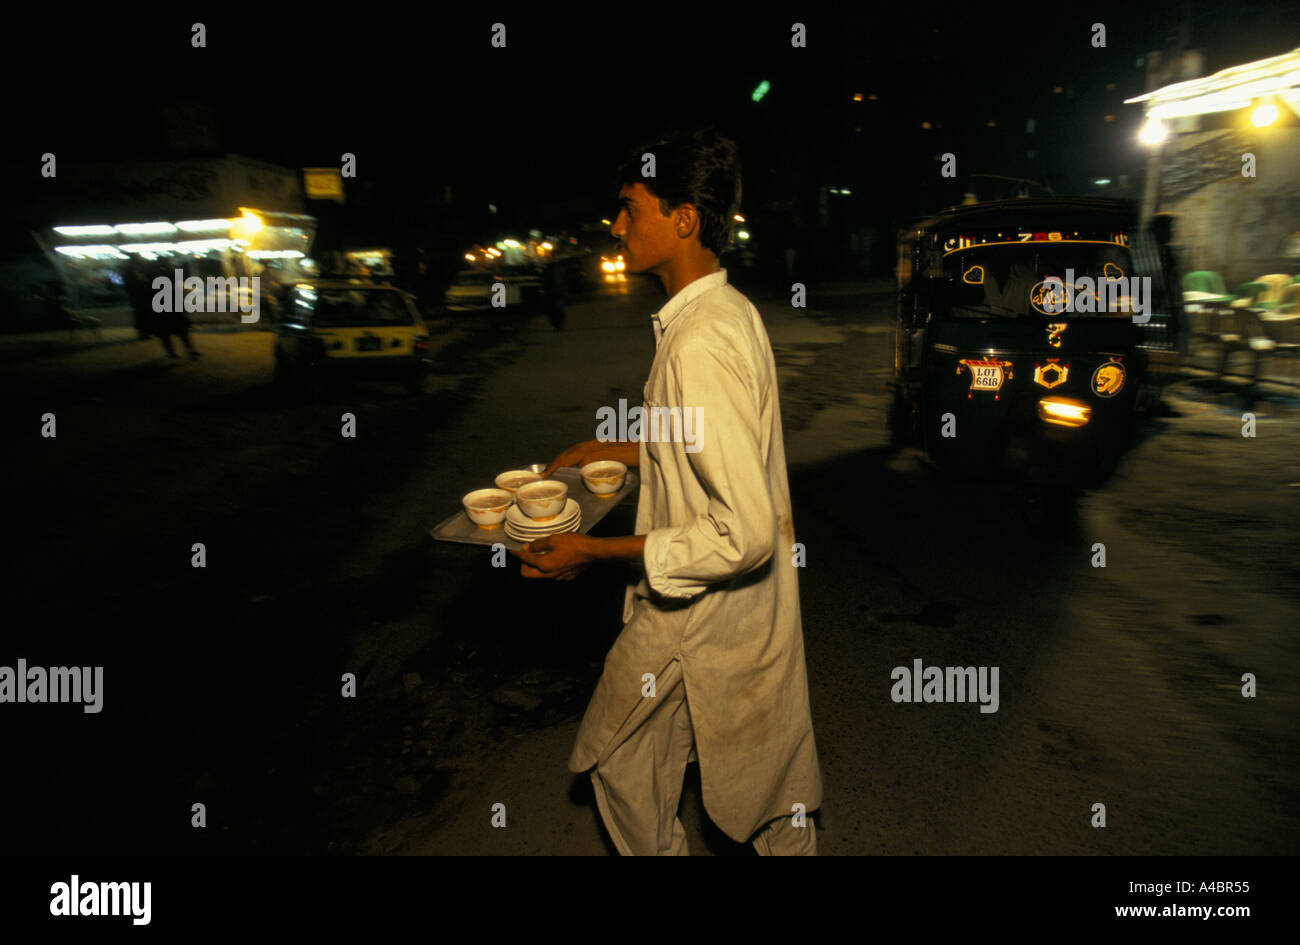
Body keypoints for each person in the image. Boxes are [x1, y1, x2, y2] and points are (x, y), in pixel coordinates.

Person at [511, 129, 822, 855]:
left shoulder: (698, 341)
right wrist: (619, 448)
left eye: (629, 207)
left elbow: (741, 531)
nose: (615, 225)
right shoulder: (722, 311)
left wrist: (590, 547)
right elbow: (709, 443)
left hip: (697, 613)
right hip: (710, 612)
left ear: (683, 218)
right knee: (655, 771)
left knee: (742, 796)